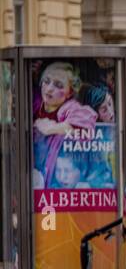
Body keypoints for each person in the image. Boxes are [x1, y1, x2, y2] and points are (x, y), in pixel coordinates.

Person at [33, 61, 99, 190]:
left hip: (57, 183)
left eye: (58, 85)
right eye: (46, 81)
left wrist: (52, 128)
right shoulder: (36, 104)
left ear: (70, 92)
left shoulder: (70, 107)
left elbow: (86, 122)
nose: (49, 88)